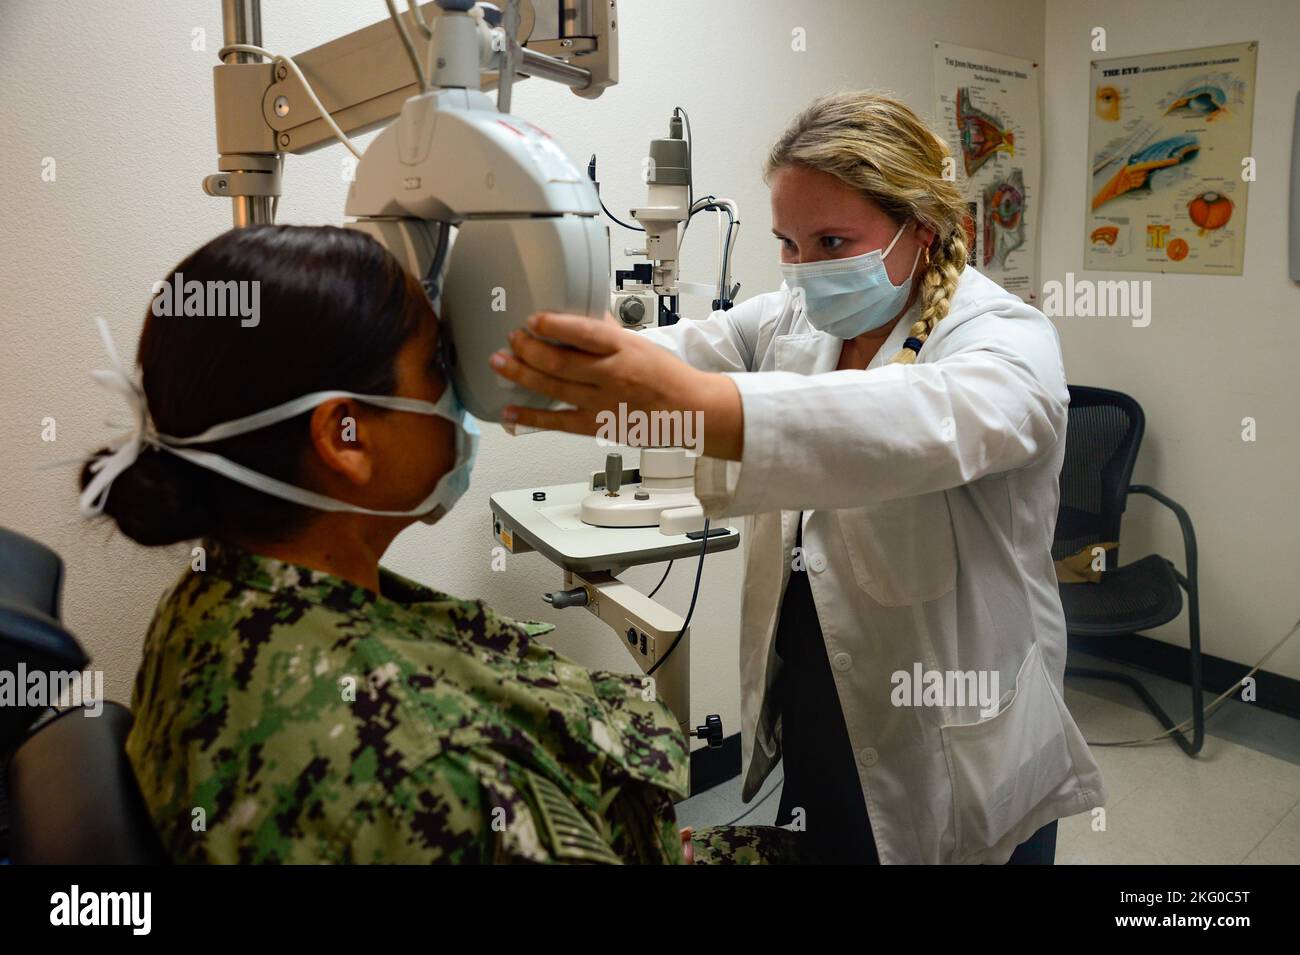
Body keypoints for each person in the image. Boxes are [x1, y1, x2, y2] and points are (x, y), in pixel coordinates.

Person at [488, 90, 1107, 864]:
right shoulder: (794, 317)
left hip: (954, 717)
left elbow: (905, 426)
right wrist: (556, 367)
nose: (803, 270)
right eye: (788, 242)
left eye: (831, 240)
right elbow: (675, 357)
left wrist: (693, 403)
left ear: (923, 228)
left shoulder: (1009, 342)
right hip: (821, 685)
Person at [79, 224, 801, 864]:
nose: (462, 391)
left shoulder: (219, 592)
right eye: (436, 365)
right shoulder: (422, 775)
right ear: (344, 437)